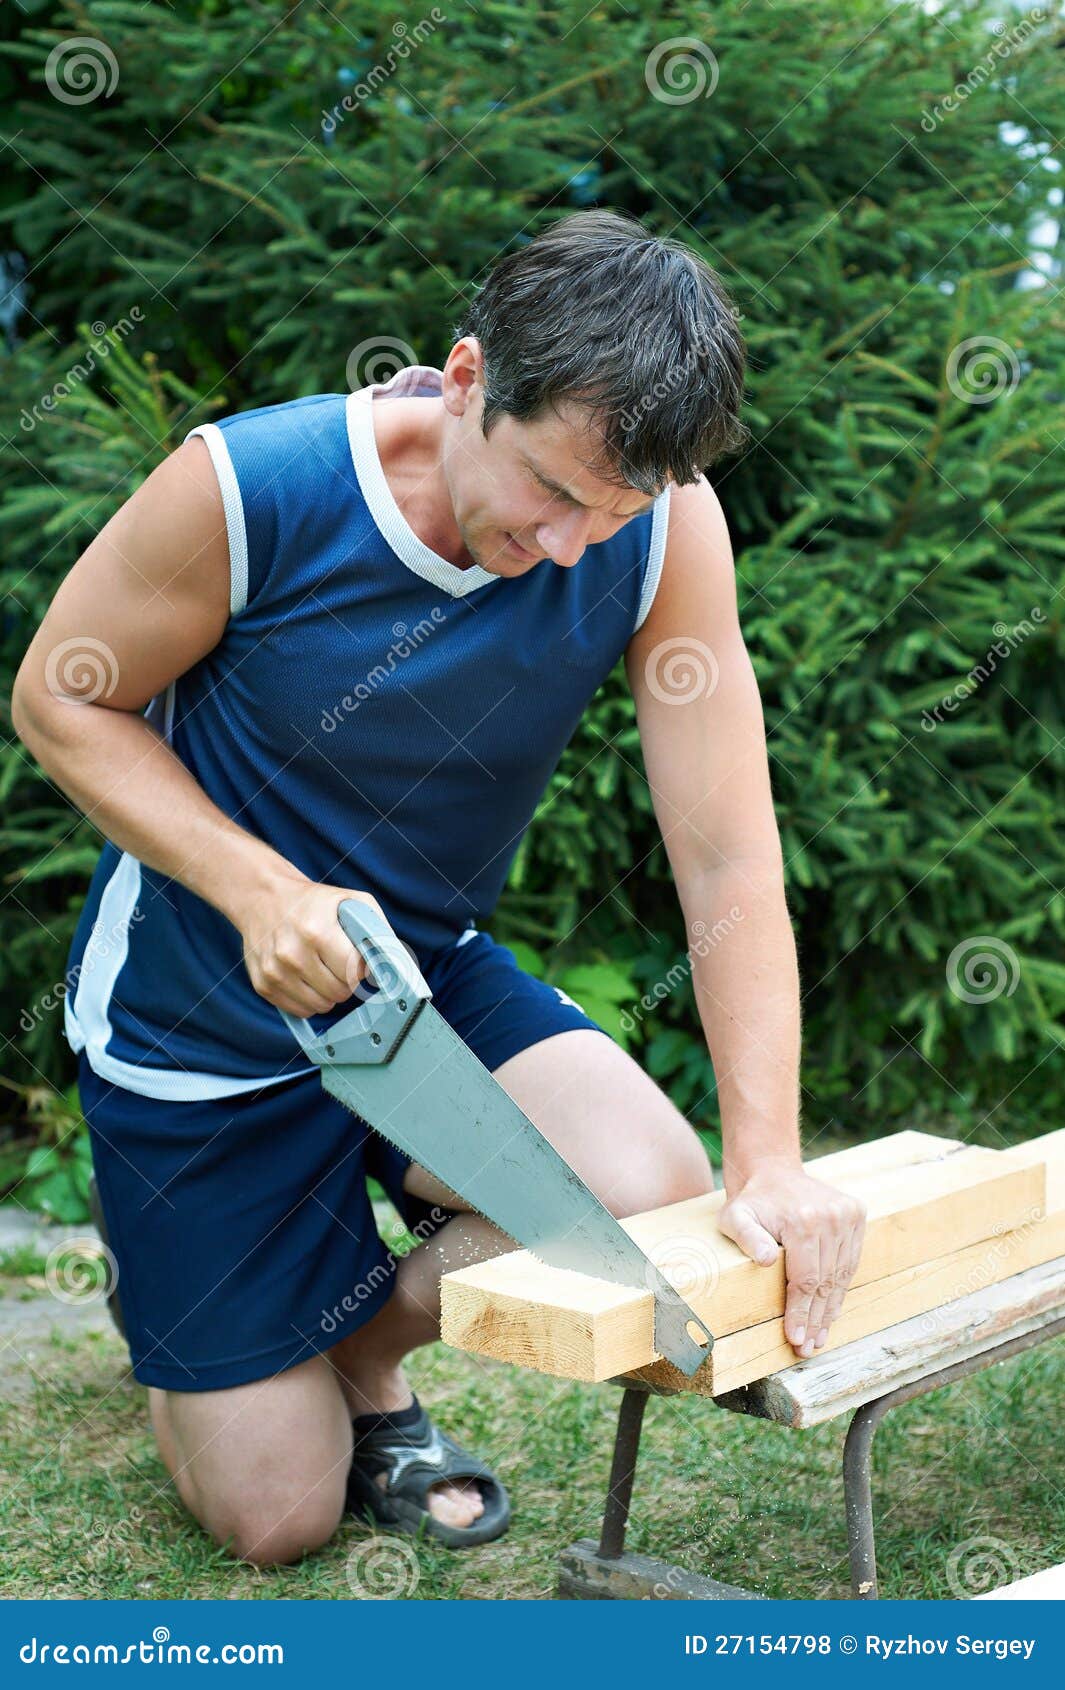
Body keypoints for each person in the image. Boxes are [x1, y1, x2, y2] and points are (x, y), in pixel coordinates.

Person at [12, 208, 866, 1566]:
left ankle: (360, 1343)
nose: (576, 545)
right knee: (277, 1517)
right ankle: (202, 1331)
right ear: (465, 378)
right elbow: (60, 701)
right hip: (196, 1025)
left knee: (650, 1182)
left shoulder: (662, 528)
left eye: (617, 509)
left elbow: (722, 850)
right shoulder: (251, 486)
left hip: (415, 989)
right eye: (550, 488)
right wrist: (255, 889)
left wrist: (769, 1160)